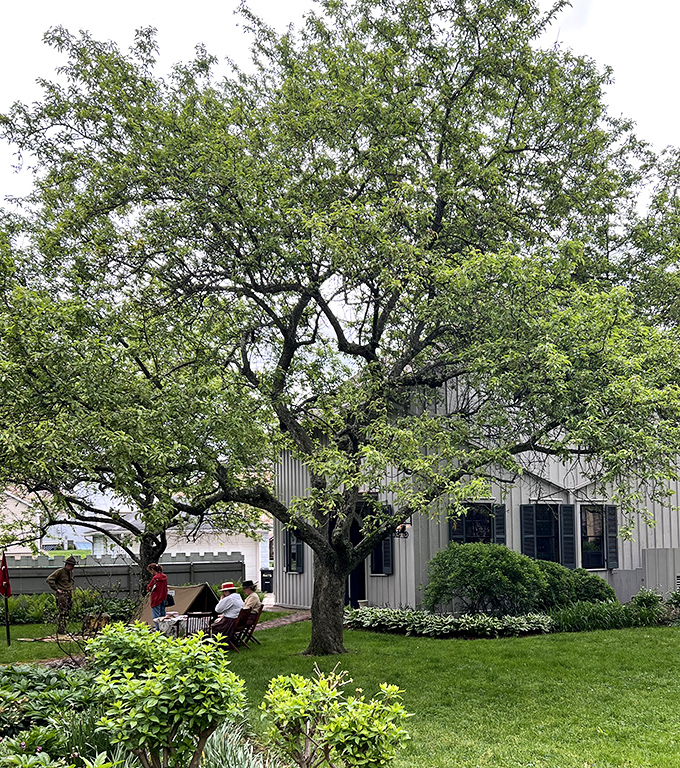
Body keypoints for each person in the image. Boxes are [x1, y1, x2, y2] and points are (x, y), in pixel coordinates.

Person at [46, 555, 77, 634]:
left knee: (67, 612)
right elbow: (49, 579)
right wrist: (57, 589)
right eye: (71, 566)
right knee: (62, 612)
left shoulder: (71, 573)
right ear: (67, 565)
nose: (72, 567)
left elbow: (70, 583)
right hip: (62, 595)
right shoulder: (60, 571)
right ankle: (61, 629)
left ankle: (64, 628)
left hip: (69, 594)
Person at [146, 563, 168, 628]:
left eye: (150, 571)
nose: (151, 573)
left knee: (156, 616)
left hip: (156, 599)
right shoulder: (164, 577)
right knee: (162, 615)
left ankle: (157, 630)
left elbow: (149, 587)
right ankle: (163, 629)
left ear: (153, 570)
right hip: (163, 597)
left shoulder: (155, 578)